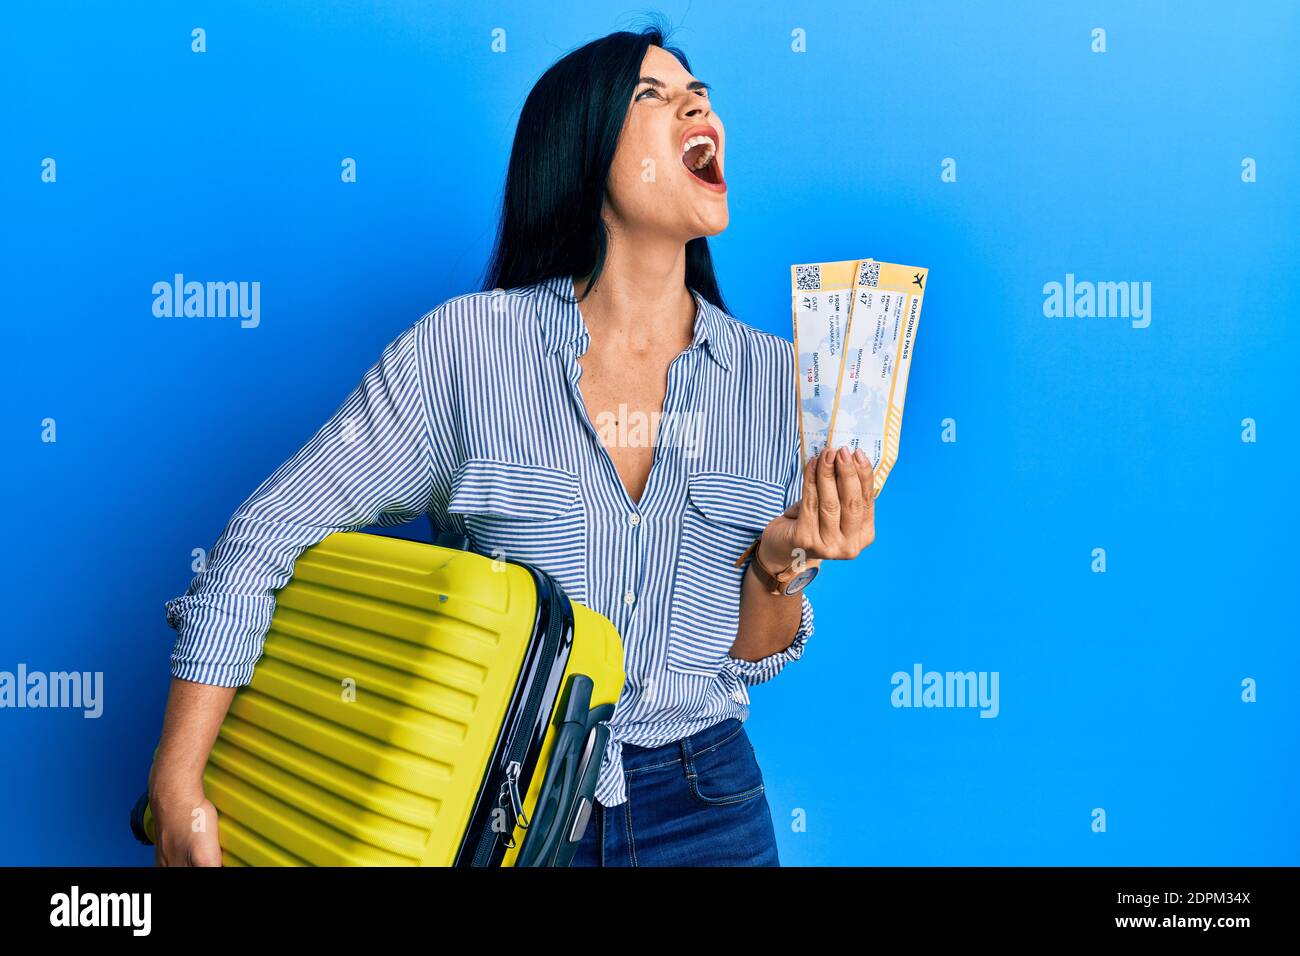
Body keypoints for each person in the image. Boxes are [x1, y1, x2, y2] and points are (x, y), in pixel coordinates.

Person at [149, 18, 876, 868]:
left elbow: (749, 654)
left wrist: (775, 564)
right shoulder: (467, 350)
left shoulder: (774, 380)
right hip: (504, 807)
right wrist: (178, 783)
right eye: (656, 97)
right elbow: (266, 536)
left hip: (706, 801)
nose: (694, 112)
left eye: (700, 99)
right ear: (583, 154)